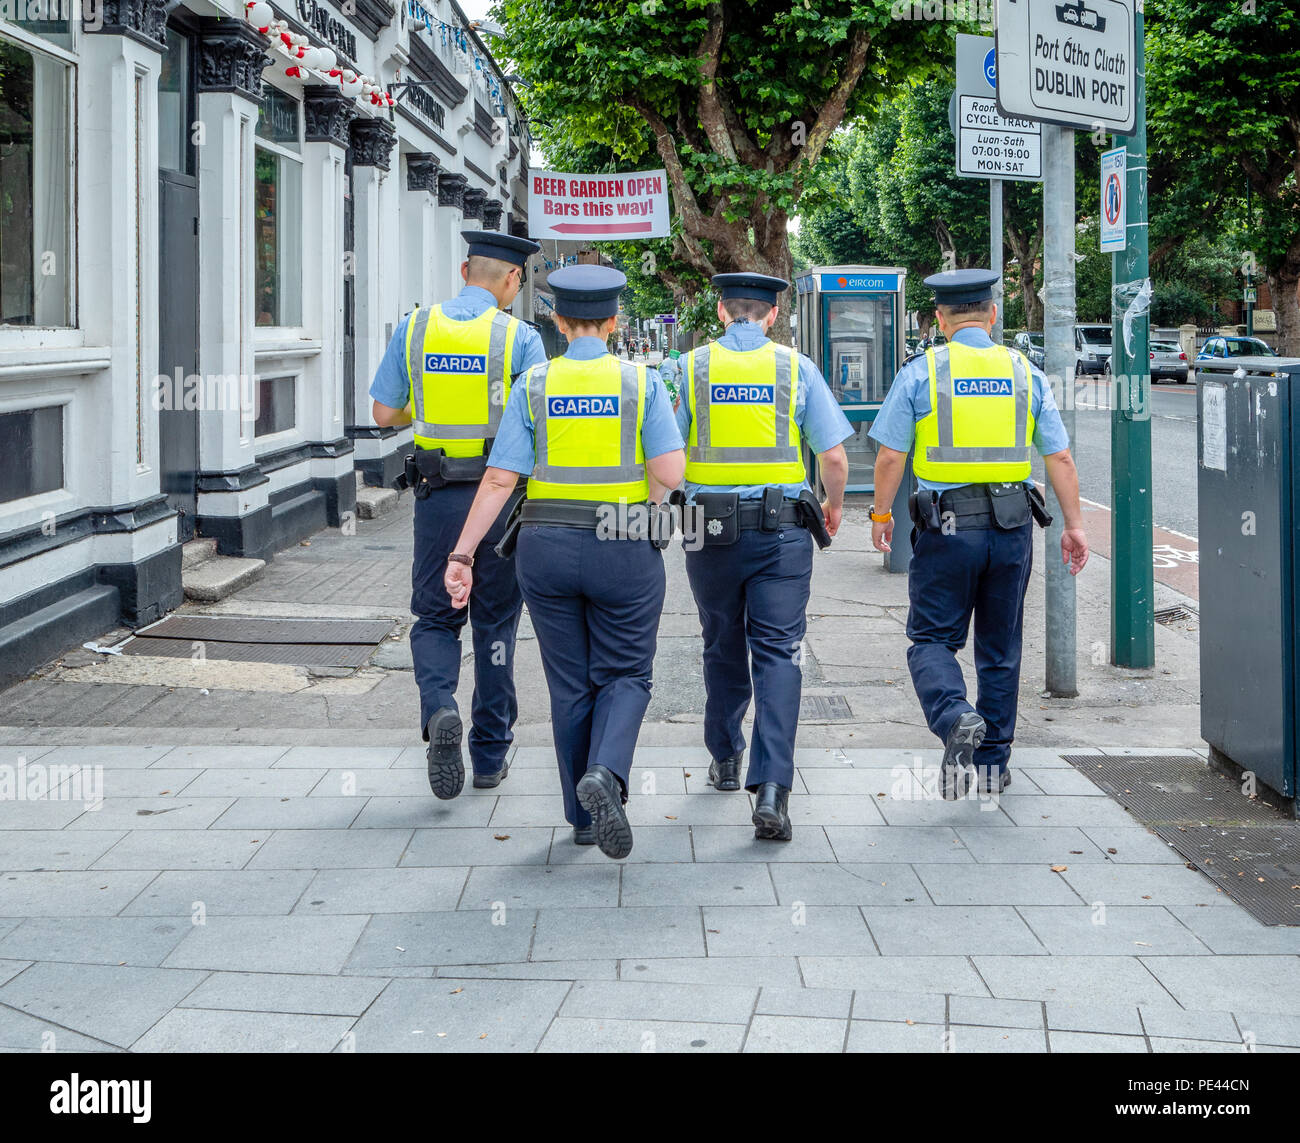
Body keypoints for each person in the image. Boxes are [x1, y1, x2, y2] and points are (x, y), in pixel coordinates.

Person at [444, 265, 685, 859]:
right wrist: (652, 500)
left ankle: (580, 819)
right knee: (626, 673)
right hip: (624, 543)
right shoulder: (641, 382)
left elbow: (499, 480)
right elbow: (671, 472)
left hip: (544, 547)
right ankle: (605, 772)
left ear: (557, 319)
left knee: (569, 683)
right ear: (614, 322)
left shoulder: (533, 384)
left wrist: (463, 553)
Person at [868, 269, 1089, 799]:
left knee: (932, 639)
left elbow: (891, 456)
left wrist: (880, 516)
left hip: (946, 530)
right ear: (992, 315)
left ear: (940, 320)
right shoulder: (1025, 372)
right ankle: (993, 765)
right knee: (1000, 647)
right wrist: (1075, 526)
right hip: (1012, 529)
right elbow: (1059, 457)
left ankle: (955, 716)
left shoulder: (923, 371)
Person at [676, 272, 852, 841]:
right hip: (782, 534)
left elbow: (666, 456)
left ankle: (726, 757)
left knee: (721, 639)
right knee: (779, 652)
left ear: (721, 311)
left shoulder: (690, 368)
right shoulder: (795, 368)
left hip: (708, 531)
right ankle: (773, 788)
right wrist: (833, 506)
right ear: (772, 315)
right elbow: (835, 457)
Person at [370, 229, 544, 799]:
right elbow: (540, 425)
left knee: (436, 617)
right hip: (502, 503)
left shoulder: (415, 327)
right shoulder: (519, 338)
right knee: (495, 625)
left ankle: (440, 706)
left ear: (465, 270)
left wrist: (421, 408)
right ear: (513, 279)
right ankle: (489, 754)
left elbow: (383, 413)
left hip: (437, 496)